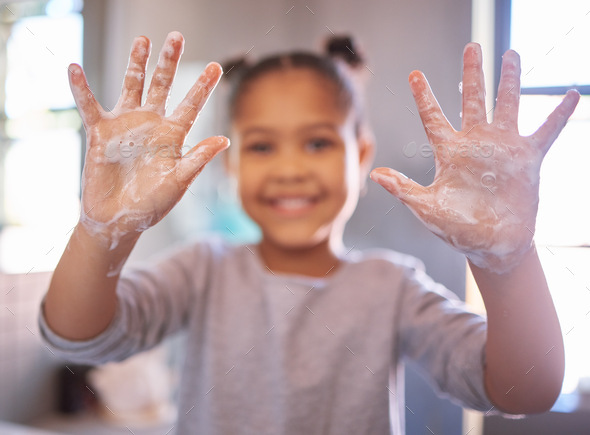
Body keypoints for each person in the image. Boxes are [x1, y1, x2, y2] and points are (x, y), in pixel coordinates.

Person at [39, 31, 579, 434]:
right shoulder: (201, 270)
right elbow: (75, 335)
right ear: (230, 164)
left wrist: (506, 263)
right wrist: (101, 232)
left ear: (361, 154)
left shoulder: (393, 287)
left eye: (318, 143)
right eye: (262, 146)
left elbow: (524, 388)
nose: (290, 169)